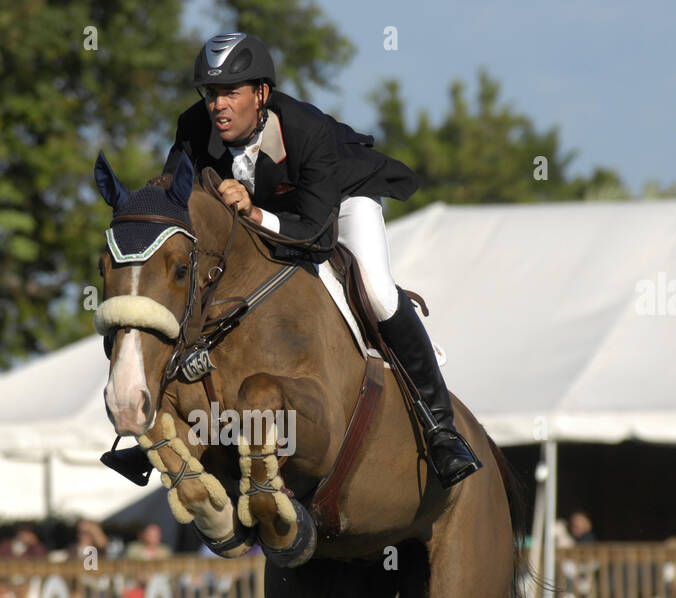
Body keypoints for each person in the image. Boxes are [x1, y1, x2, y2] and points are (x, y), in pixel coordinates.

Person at [104, 32, 479, 489]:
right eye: (211, 93)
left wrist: (255, 210)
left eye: (230, 93)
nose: (217, 105)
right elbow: (176, 200)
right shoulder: (193, 126)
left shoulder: (307, 130)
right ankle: (155, 430)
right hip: (260, 212)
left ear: (261, 93)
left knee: (375, 291)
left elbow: (316, 237)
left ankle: (441, 429)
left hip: (335, 203)